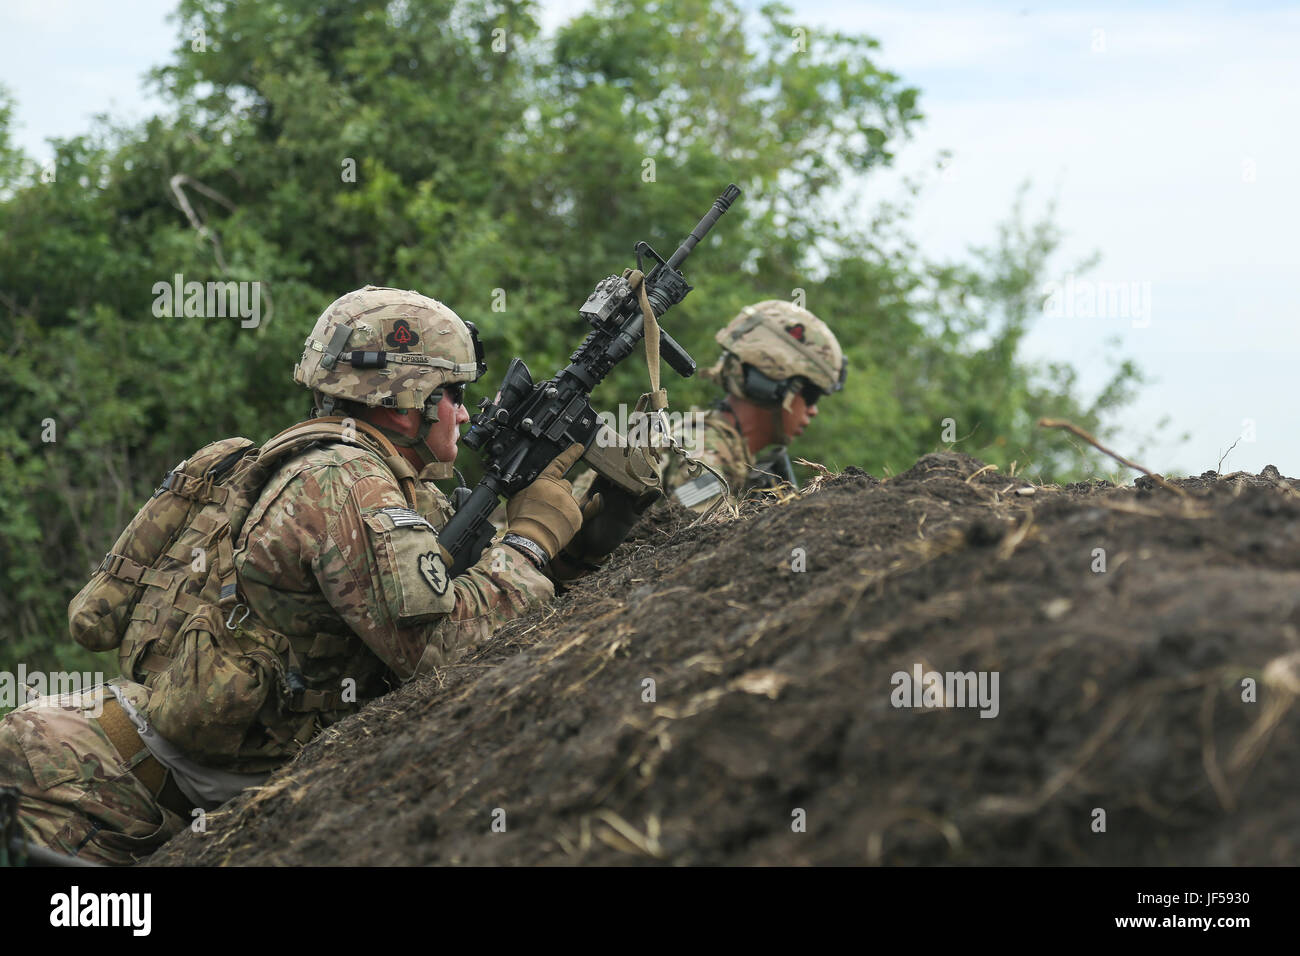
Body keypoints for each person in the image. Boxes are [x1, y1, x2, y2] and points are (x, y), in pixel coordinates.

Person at [0, 286, 587, 865]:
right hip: (81, 791)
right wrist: (529, 544)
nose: (463, 411)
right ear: (404, 401)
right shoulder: (343, 481)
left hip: (115, 761)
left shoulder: (332, 470)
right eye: (452, 392)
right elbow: (441, 647)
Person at [659, 300, 846, 512]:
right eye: (811, 396)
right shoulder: (702, 460)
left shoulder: (727, 452)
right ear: (772, 386)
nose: (814, 410)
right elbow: (699, 537)